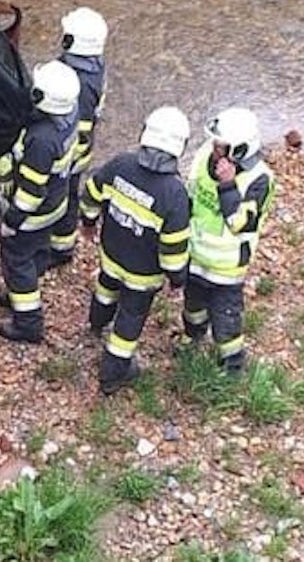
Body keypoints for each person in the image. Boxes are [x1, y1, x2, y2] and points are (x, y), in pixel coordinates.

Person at [79, 106, 192, 394]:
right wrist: (177, 278)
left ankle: (96, 324)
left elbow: (91, 193)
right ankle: (113, 374)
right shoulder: (175, 193)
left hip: (111, 253)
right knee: (130, 319)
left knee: (105, 289)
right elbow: (174, 248)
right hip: (143, 274)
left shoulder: (120, 164)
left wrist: (89, 222)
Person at [181, 107, 276, 375]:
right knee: (192, 307)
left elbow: (239, 224)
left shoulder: (259, 179)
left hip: (226, 268)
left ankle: (233, 365)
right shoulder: (203, 155)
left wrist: (227, 184)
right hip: (195, 257)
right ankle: (193, 336)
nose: (214, 149)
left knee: (226, 322)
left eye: (221, 146)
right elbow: (191, 195)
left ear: (239, 150)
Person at [0, 60, 81, 343]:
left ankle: (28, 322)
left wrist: (12, 220)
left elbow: (31, 192)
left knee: (17, 261)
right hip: (54, 206)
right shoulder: (70, 115)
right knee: (38, 253)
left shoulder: (42, 140)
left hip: (32, 215)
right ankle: (23, 290)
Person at [48, 7, 110, 268]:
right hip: (76, 150)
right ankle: (62, 243)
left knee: (64, 195)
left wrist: (64, 159)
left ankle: (61, 249)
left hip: (71, 153)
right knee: (66, 195)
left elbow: (79, 128)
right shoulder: (91, 68)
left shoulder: (81, 83)